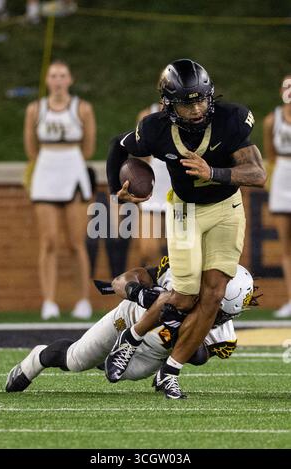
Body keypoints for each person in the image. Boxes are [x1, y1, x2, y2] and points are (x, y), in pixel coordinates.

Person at [106, 58, 266, 398]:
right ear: (168, 103)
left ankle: (170, 371)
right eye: (185, 101)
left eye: (200, 99)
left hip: (227, 209)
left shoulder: (230, 119)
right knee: (184, 294)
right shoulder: (154, 129)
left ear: (210, 96)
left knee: (213, 295)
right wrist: (116, 191)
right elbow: (117, 147)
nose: (195, 108)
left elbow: (258, 174)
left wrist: (214, 173)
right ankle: (130, 337)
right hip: (185, 211)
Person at [5, 258, 255, 394]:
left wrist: (177, 333)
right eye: (218, 309)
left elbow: (200, 356)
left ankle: (141, 368)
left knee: (119, 372)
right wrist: (141, 294)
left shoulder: (224, 333)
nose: (218, 318)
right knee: (77, 359)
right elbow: (122, 280)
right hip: (132, 317)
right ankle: (36, 359)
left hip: (155, 352)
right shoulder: (181, 277)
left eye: (224, 315)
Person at [25, 60, 96, 319]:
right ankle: (49, 301)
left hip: (73, 171)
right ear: (47, 80)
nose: (57, 80)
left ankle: (83, 300)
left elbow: (88, 147)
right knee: (49, 241)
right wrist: (46, 163)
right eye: (53, 75)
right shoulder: (35, 109)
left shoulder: (83, 109)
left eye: (62, 75)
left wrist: (68, 160)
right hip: (46, 172)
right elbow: (30, 147)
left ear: (70, 80)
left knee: (76, 242)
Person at [264, 75, 291, 318]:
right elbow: (270, 155)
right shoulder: (272, 120)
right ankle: (290, 299)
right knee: (286, 246)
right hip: (283, 177)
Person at [137, 103, 171, 266]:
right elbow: (141, 154)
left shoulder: (194, 115)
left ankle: (177, 288)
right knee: (147, 250)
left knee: (182, 248)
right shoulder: (146, 115)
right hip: (154, 186)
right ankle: (160, 286)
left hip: (181, 187)